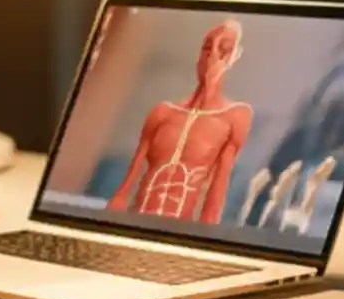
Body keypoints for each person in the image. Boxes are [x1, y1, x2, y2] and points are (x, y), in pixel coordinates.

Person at [108, 18, 253, 224]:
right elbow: (125, 187)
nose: (212, 56)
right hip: (136, 223)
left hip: (178, 230)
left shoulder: (235, 116)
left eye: (224, 50)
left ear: (234, 57)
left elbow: (217, 190)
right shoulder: (163, 112)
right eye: (207, 48)